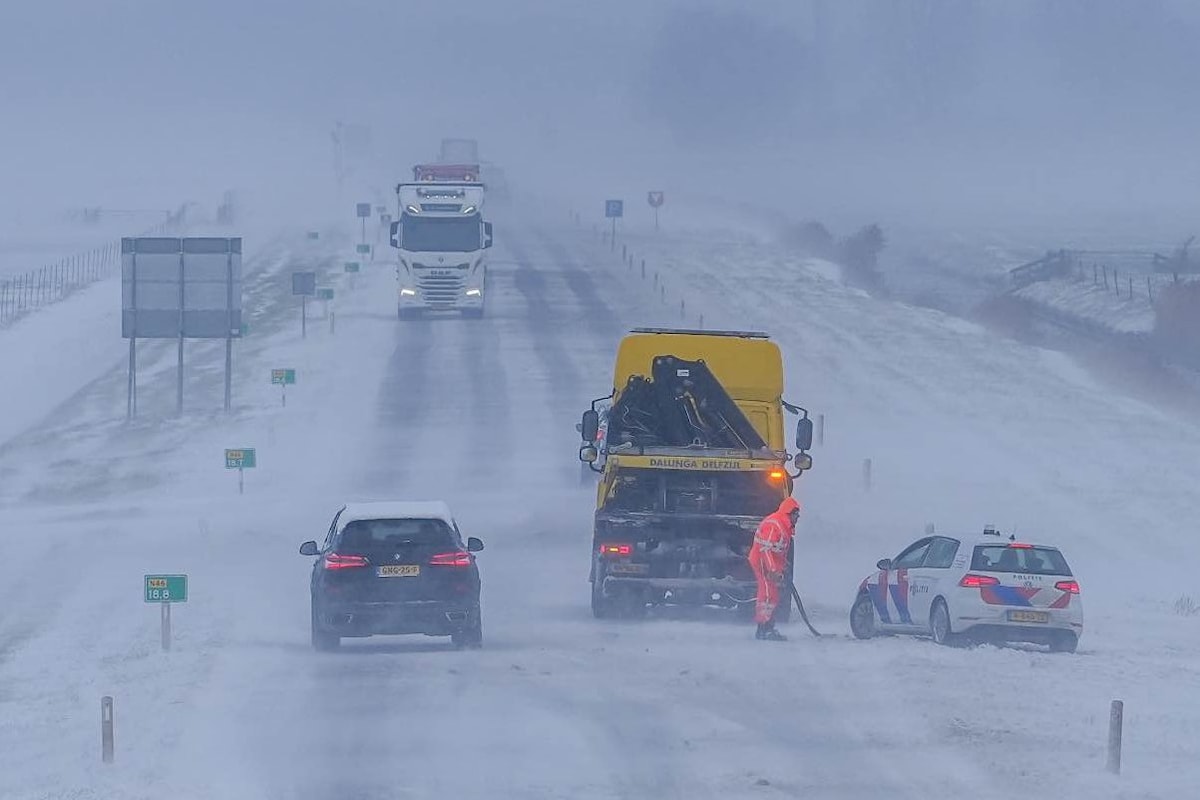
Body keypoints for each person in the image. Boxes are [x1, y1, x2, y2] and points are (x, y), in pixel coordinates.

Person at [748, 496, 801, 641]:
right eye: (796, 515)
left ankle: (767, 627)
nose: (798, 518)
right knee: (767, 595)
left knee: (773, 595)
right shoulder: (774, 525)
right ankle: (763, 628)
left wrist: (783, 565)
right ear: (789, 513)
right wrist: (772, 569)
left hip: (770, 564)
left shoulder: (784, 527)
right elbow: (765, 549)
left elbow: (779, 550)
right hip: (762, 563)